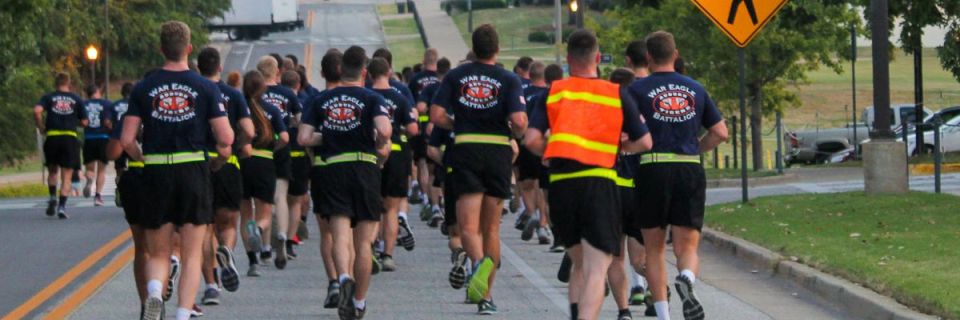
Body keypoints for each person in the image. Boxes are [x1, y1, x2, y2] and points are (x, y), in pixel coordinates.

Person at [524, 29, 653, 320]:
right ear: (597, 57)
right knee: (598, 267)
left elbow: (531, 139)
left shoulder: (555, 92)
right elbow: (645, 142)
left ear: (568, 60)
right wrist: (619, 147)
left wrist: (551, 150)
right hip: (599, 182)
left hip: (562, 184)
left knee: (578, 263)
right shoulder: (615, 93)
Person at [120, 21, 234, 320]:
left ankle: (155, 292)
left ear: (161, 49)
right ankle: (183, 313)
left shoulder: (144, 87)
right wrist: (217, 162)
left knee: (158, 251)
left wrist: (142, 158)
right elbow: (226, 139)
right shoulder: (206, 87)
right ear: (189, 48)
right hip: (193, 169)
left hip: (157, 170)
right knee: (193, 252)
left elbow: (127, 139)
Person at [627, 31, 728, 320]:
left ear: (648, 57)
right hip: (689, 167)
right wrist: (696, 148)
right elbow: (721, 132)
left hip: (652, 167)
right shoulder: (695, 88)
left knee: (655, 250)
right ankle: (686, 277)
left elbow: (630, 132)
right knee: (688, 246)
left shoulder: (637, 90)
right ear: (676, 54)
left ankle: (663, 315)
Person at [430, 24, 528, 315]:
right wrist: (515, 136)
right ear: (497, 50)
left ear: (472, 50)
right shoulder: (509, 79)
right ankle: (487, 295)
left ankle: (478, 266)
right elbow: (520, 122)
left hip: (466, 149)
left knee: (468, 227)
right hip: (498, 151)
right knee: (492, 228)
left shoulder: (456, 76)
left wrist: (457, 124)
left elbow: (436, 115)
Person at [299, 45, 393, 320]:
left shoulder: (321, 100)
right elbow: (385, 131)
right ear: (364, 71)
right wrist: (375, 139)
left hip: (332, 170)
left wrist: (328, 135)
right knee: (364, 243)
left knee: (339, 234)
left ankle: (342, 277)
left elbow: (303, 139)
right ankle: (360, 302)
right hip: (364, 168)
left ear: (340, 71)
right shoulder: (372, 97)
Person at [197, 47, 255, 301]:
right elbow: (249, 130)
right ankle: (227, 250)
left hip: (199, 166)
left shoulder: (195, 93)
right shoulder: (233, 94)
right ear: (219, 68)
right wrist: (238, 145)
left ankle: (211, 285)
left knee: (204, 229)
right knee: (229, 223)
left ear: (199, 68)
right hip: (229, 163)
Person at [369, 57, 420, 272]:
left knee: (371, 206)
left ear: (369, 74)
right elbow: (413, 129)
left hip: (370, 155)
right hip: (397, 154)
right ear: (389, 72)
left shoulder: (366, 96)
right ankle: (387, 255)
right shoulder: (399, 98)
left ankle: (369, 248)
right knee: (391, 208)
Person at [238, 70, 289, 278]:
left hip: (242, 162)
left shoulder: (240, 109)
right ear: (263, 88)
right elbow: (285, 137)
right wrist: (272, 148)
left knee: (245, 214)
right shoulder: (271, 110)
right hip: (265, 163)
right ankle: (259, 231)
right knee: (265, 213)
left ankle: (252, 262)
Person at [258, 56, 302, 270]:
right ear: (277, 73)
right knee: (281, 195)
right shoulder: (287, 93)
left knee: (264, 200)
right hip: (283, 146)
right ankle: (283, 234)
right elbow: (300, 120)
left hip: (261, 148)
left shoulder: (254, 96)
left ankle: (266, 246)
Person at [35, 72, 87, 219]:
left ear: (56, 83)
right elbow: (84, 122)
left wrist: (41, 126)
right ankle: (62, 207)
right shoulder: (76, 99)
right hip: (69, 138)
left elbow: (37, 111)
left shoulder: (49, 97)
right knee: (67, 175)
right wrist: (72, 120)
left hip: (52, 137)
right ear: (68, 83)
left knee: (52, 171)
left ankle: (52, 197)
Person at [316, 48, 344, 309]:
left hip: (323, 167)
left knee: (327, 231)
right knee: (351, 230)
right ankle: (350, 277)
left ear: (322, 72)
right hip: (356, 169)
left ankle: (334, 281)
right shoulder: (358, 97)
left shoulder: (316, 100)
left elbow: (304, 138)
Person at [516, 61, 551, 245]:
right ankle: (543, 224)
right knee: (542, 187)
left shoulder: (524, 93)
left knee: (526, 183)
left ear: (530, 74)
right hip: (546, 144)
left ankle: (530, 213)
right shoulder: (550, 95)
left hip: (527, 143)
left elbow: (519, 118)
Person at [415, 57, 451, 227]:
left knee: (432, 171)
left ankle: (435, 205)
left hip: (434, 131)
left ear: (437, 71)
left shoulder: (430, 88)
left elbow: (421, 107)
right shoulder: (454, 87)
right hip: (456, 134)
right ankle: (448, 206)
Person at [280, 70, 309, 261]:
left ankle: (277, 234)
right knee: (296, 201)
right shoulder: (304, 101)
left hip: (280, 152)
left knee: (279, 197)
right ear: (298, 85)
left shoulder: (270, 98)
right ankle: (290, 240)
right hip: (299, 154)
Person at [408, 48, 441, 214]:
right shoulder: (442, 80)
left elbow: (414, 105)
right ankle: (439, 197)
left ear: (424, 60)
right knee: (438, 164)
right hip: (441, 126)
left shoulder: (416, 79)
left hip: (422, 126)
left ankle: (427, 198)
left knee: (422, 163)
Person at [81, 84, 113, 206]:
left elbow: (82, 122)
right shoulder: (106, 104)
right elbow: (107, 121)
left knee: (90, 169)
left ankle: (89, 178)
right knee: (101, 170)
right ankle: (98, 196)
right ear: (98, 92)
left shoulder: (83, 104)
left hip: (89, 138)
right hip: (103, 138)